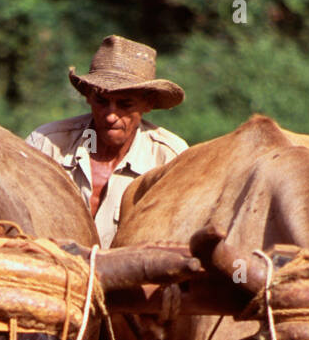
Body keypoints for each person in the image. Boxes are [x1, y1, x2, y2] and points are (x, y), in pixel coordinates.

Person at [27, 35, 188, 247]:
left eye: (125, 104)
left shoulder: (170, 158)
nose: (111, 116)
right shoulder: (46, 144)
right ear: (88, 97)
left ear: (147, 104)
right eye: (101, 102)